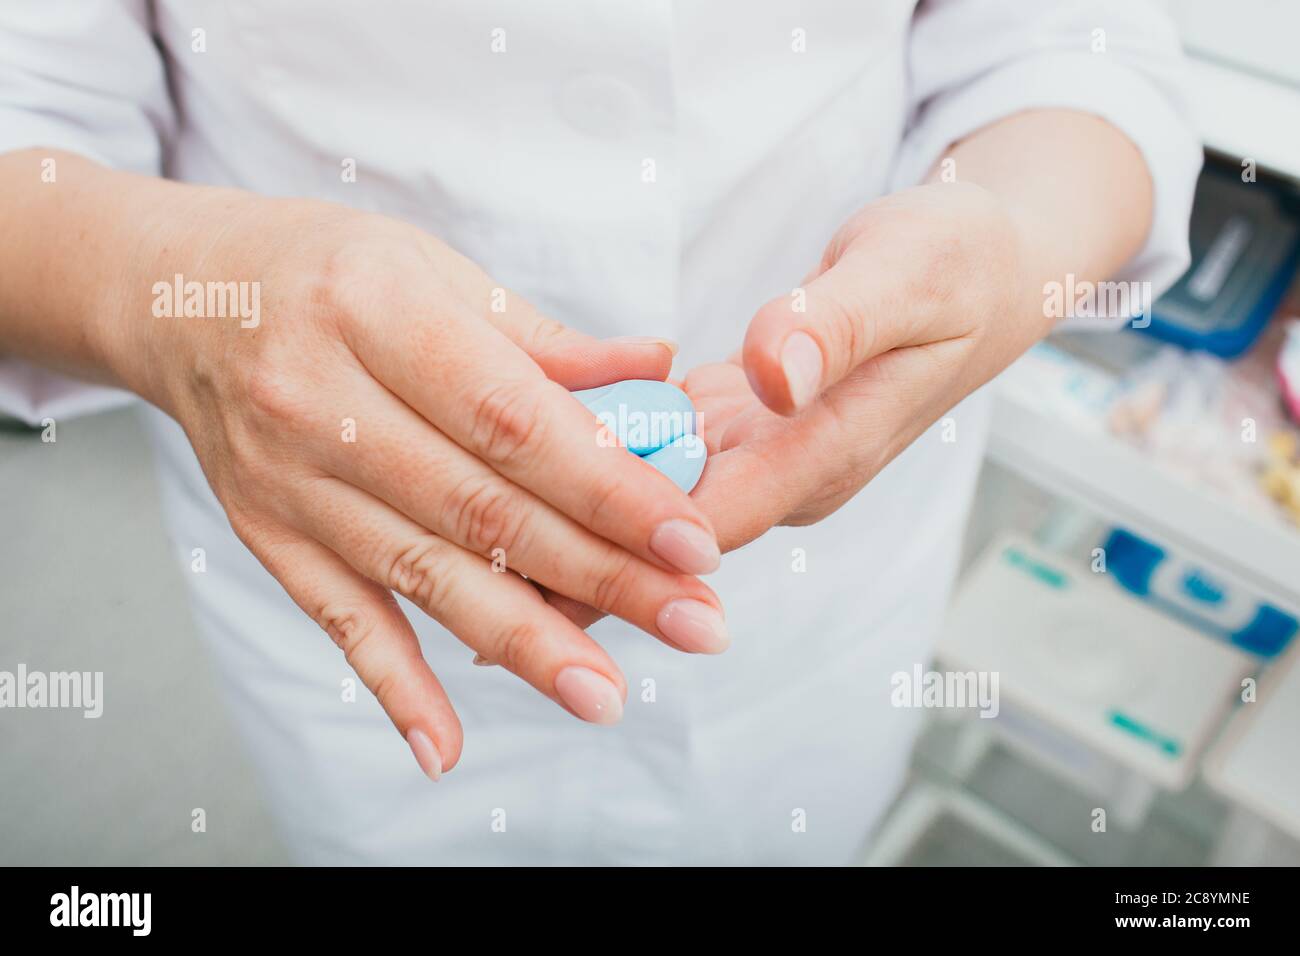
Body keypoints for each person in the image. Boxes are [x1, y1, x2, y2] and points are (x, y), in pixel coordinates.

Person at [0, 0, 1200, 864]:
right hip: (356, 578)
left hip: (812, 573)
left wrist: (1005, 235)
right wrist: (176, 297)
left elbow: (1073, 39)